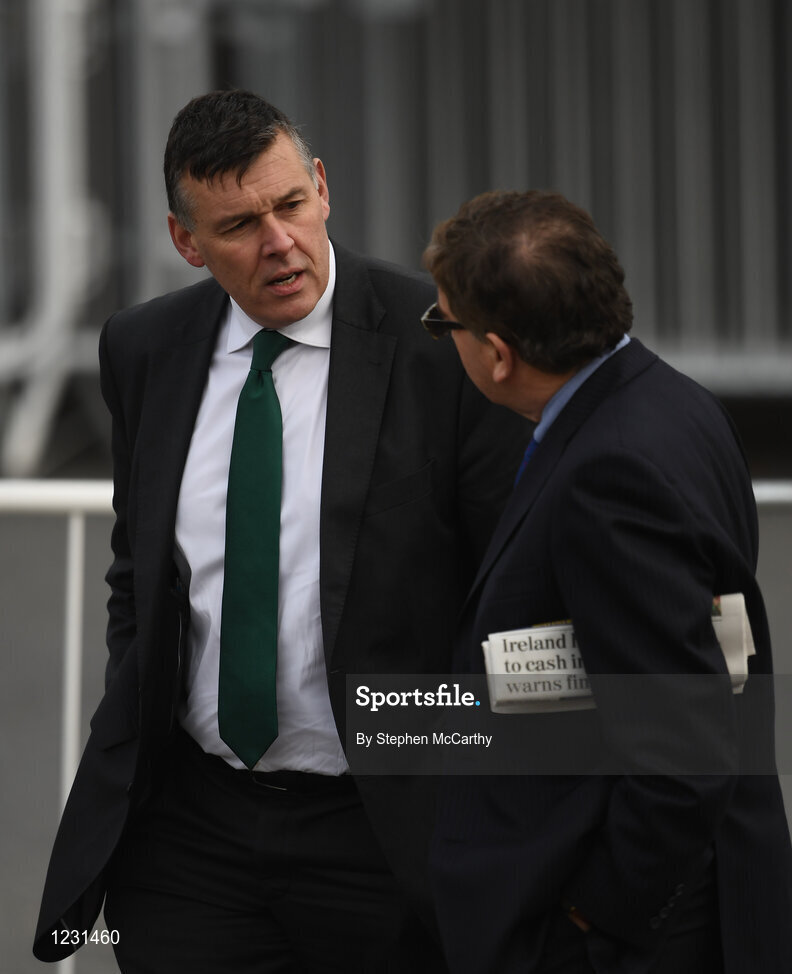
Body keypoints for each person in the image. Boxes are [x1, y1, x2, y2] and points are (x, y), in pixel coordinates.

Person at [32, 91, 528, 972]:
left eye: (290, 204)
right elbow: (138, 570)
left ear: (323, 186)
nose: (279, 243)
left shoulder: (441, 346)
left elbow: (512, 600)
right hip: (192, 836)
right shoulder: (143, 349)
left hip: (382, 833)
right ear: (187, 242)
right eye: (238, 225)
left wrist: (441, 765)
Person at [422, 190, 792, 973]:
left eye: (442, 320)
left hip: (643, 933)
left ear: (496, 352)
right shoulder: (672, 400)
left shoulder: (607, 472)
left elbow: (681, 747)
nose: (440, 336)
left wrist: (595, 919)